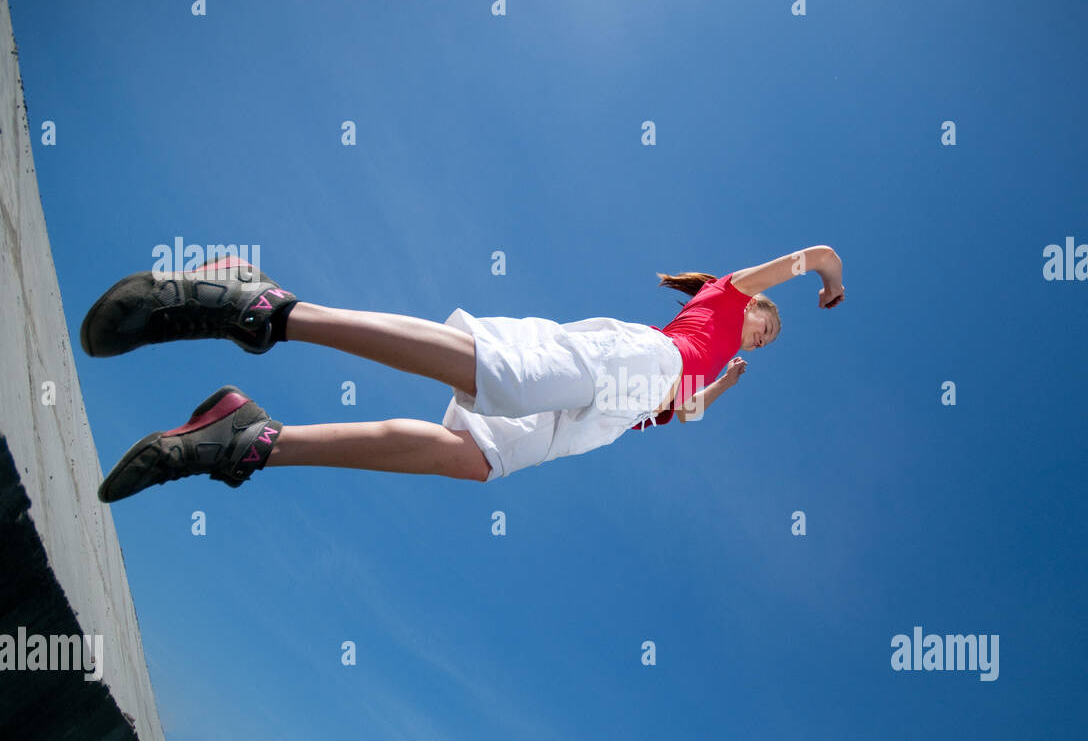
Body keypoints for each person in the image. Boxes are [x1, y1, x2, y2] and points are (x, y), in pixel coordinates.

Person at [81, 246, 845, 502]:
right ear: (751, 302)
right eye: (766, 321)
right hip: (643, 357)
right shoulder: (726, 297)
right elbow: (804, 255)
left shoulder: (715, 370)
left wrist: (716, 393)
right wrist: (828, 268)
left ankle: (249, 438)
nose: (761, 332)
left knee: (475, 459)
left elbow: (674, 413)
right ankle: (264, 304)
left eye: (768, 337)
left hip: (617, 415)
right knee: (506, 376)